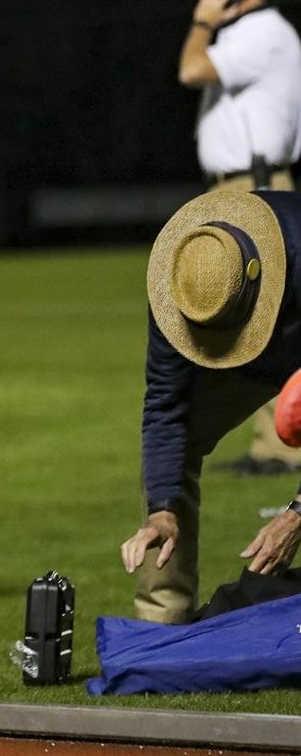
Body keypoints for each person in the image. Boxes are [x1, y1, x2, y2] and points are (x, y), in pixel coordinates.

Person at [119, 189, 301, 623]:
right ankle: (162, 628)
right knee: (169, 460)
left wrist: (296, 514)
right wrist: (162, 509)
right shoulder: (182, 277)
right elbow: (165, 404)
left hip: (294, 320)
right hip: (256, 356)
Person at [177, 0, 301, 474]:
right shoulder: (259, 34)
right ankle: (268, 445)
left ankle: (280, 448)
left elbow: (190, 70)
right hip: (242, 186)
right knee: (251, 318)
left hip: (253, 188)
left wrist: (203, 21)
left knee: (267, 318)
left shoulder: (262, 32)